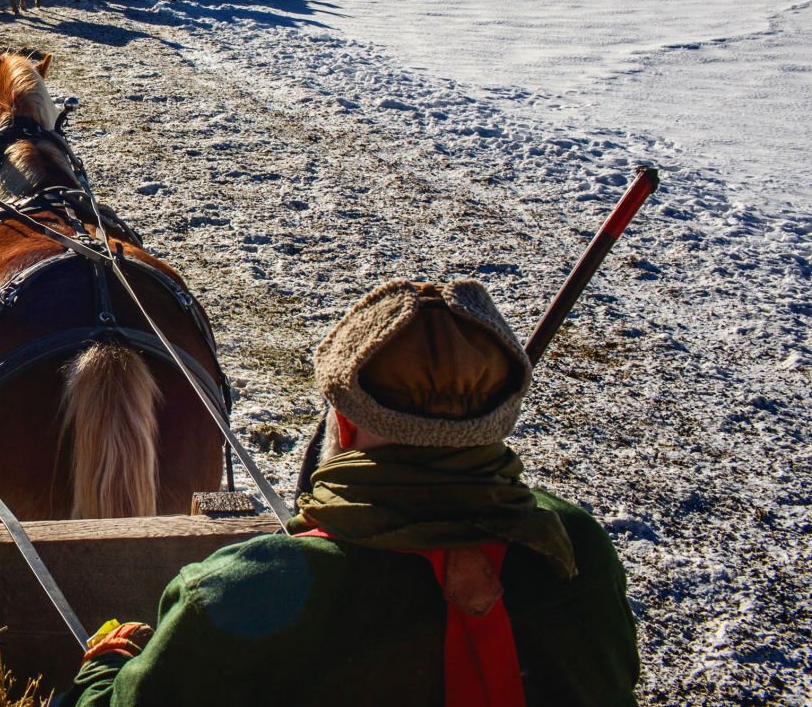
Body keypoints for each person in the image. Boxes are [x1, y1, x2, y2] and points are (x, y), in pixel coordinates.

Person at [63, 278, 640, 706]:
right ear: (497, 419)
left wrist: (106, 664)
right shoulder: (579, 553)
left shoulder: (239, 592)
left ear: (343, 424)